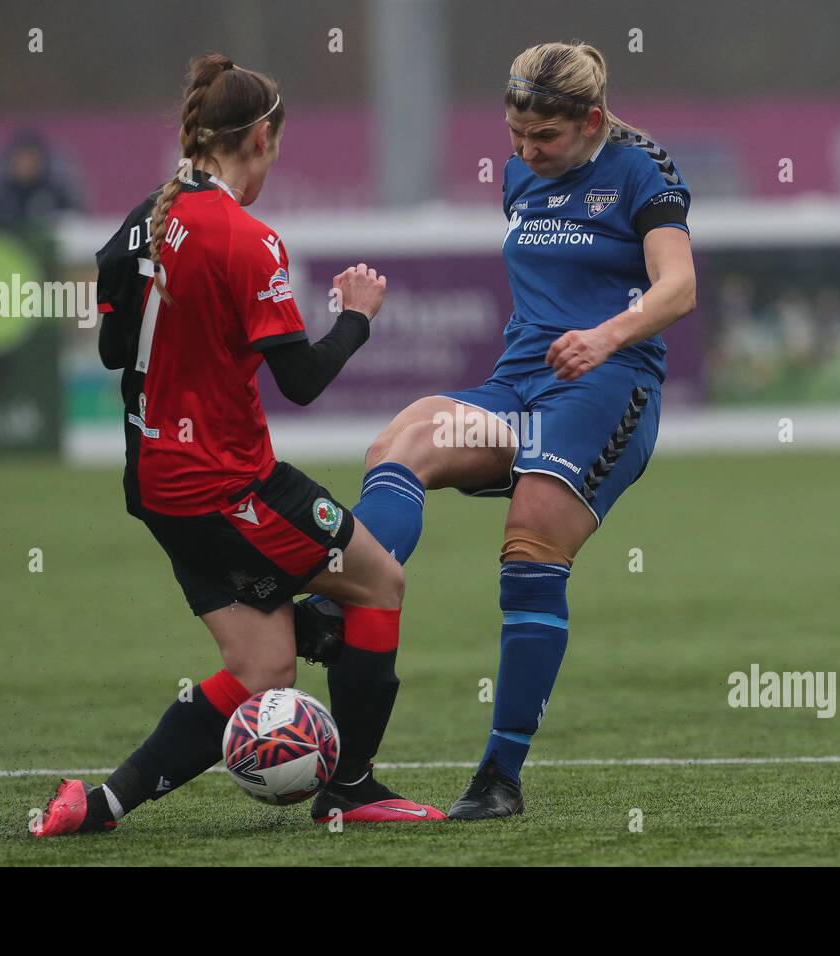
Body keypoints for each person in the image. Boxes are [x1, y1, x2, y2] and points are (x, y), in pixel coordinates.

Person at [33, 53, 444, 836]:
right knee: (380, 582)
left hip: (158, 488)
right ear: (260, 137)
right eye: (275, 146)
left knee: (262, 668)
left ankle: (98, 806)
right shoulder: (247, 240)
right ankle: (351, 788)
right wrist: (357, 315)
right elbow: (302, 381)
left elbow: (114, 353)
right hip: (230, 486)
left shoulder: (142, 218)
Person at [299, 40, 697, 818]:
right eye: (514, 138)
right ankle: (339, 606)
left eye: (543, 138)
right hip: (517, 383)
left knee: (529, 542)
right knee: (401, 441)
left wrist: (607, 336)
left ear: (591, 120)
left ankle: (498, 778)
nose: (524, 153)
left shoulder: (643, 168)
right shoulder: (520, 177)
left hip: (605, 388)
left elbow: (678, 287)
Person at [0, 130, 79, 229]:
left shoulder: (56, 194)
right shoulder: (0, 196)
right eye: (21, 159)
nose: (26, 164)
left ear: (41, 161)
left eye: (31, 159)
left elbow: (74, 225)